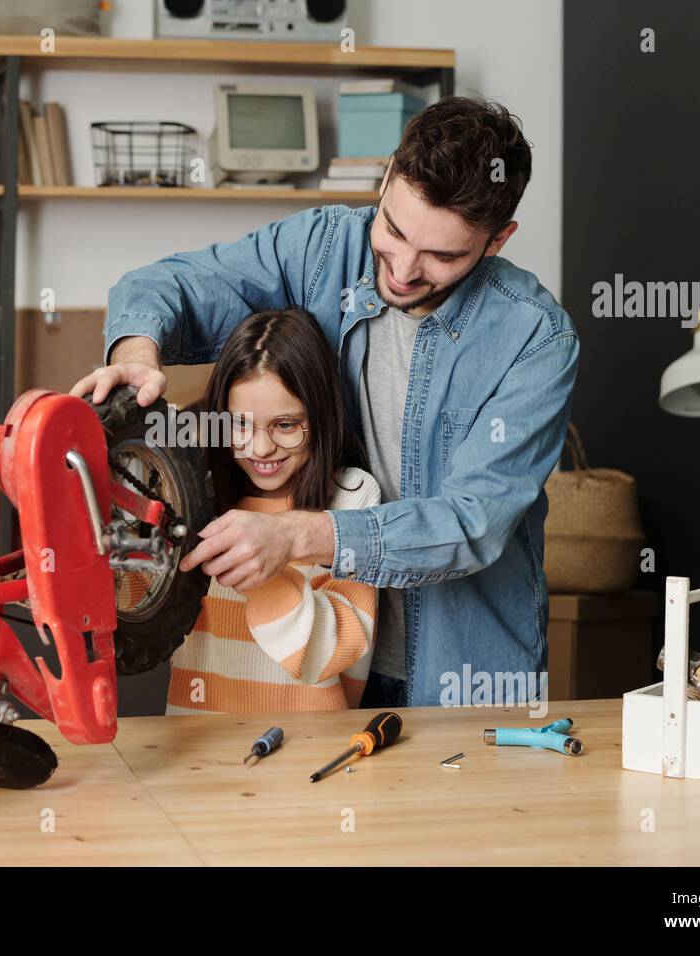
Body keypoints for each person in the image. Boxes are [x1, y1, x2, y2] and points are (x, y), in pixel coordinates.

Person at [73, 96, 579, 708]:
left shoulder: (534, 339)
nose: (401, 271)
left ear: (499, 239)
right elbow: (163, 285)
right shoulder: (321, 248)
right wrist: (136, 352)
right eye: (393, 228)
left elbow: (470, 524)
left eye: (443, 256)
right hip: (313, 681)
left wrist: (295, 537)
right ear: (388, 175)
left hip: (464, 677)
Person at [157, 308, 379, 715]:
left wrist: (259, 571)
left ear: (321, 417)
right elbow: (134, 609)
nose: (260, 449)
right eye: (240, 425)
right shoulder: (193, 494)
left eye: (286, 425)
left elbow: (329, 657)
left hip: (311, 756)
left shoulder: (354, 498)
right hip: (193, 751)